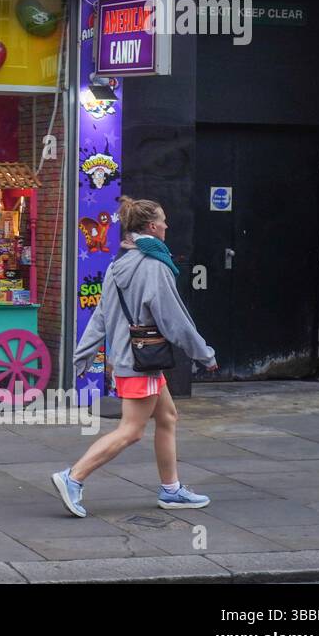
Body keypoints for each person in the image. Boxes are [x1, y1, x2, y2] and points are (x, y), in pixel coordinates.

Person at [53, 196, 220, 518]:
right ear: (151, 227)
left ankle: (171, 491)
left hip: (134, 359)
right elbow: (176, 320)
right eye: (164, 220)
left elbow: (101, 315)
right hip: (140, 362)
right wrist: (203, 354)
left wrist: (83, 355)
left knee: (168, 418)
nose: (168, 225)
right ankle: (72, 478)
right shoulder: (155, 267)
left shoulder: (118, 264)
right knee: (131, 430)